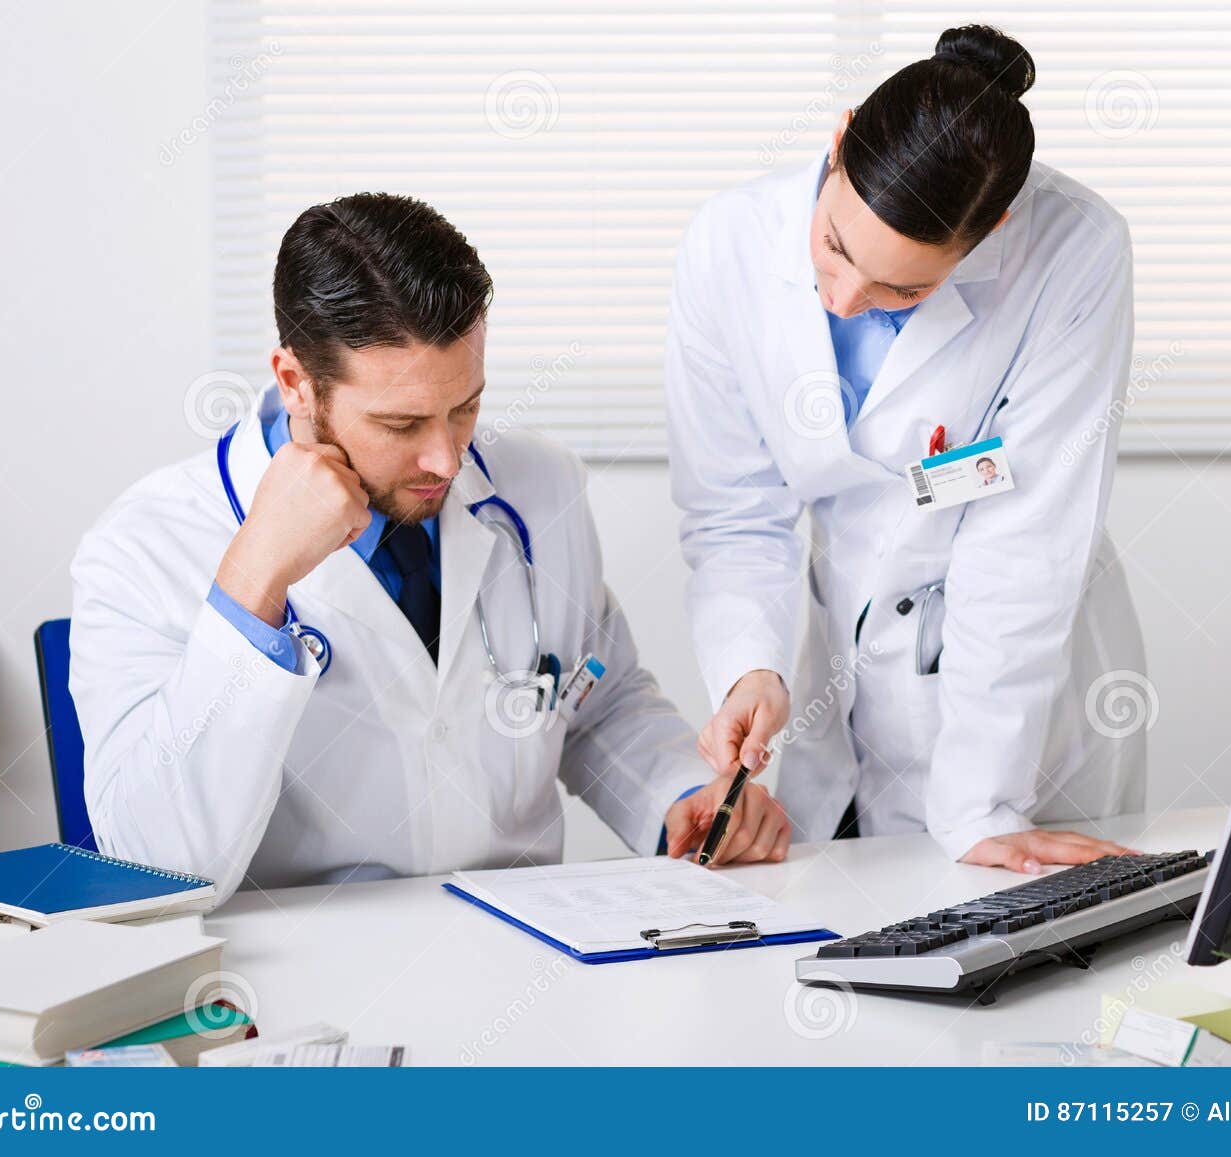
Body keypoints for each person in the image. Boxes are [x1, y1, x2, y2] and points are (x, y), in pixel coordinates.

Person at [70, 193, 788, 900]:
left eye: (465, 406)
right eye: (401, 423)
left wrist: (680, 793)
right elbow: (154, 863)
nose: (446, 459)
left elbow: (596, 702)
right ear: (295, 382)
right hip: (299, 978)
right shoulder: (145, 546)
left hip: (524, 955)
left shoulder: (540, 489)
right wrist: (257, 575)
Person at [664, 26, 1146, 874]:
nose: (847, 299)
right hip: (834, 680)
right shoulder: (727, 245)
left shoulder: (1075, 252)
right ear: (842, 138)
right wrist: (752, 667)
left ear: (992, 229)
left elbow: (1024, 540)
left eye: (904, 289)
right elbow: (737, 511)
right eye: (835, 248)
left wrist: (981, 803)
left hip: (1012, 694)